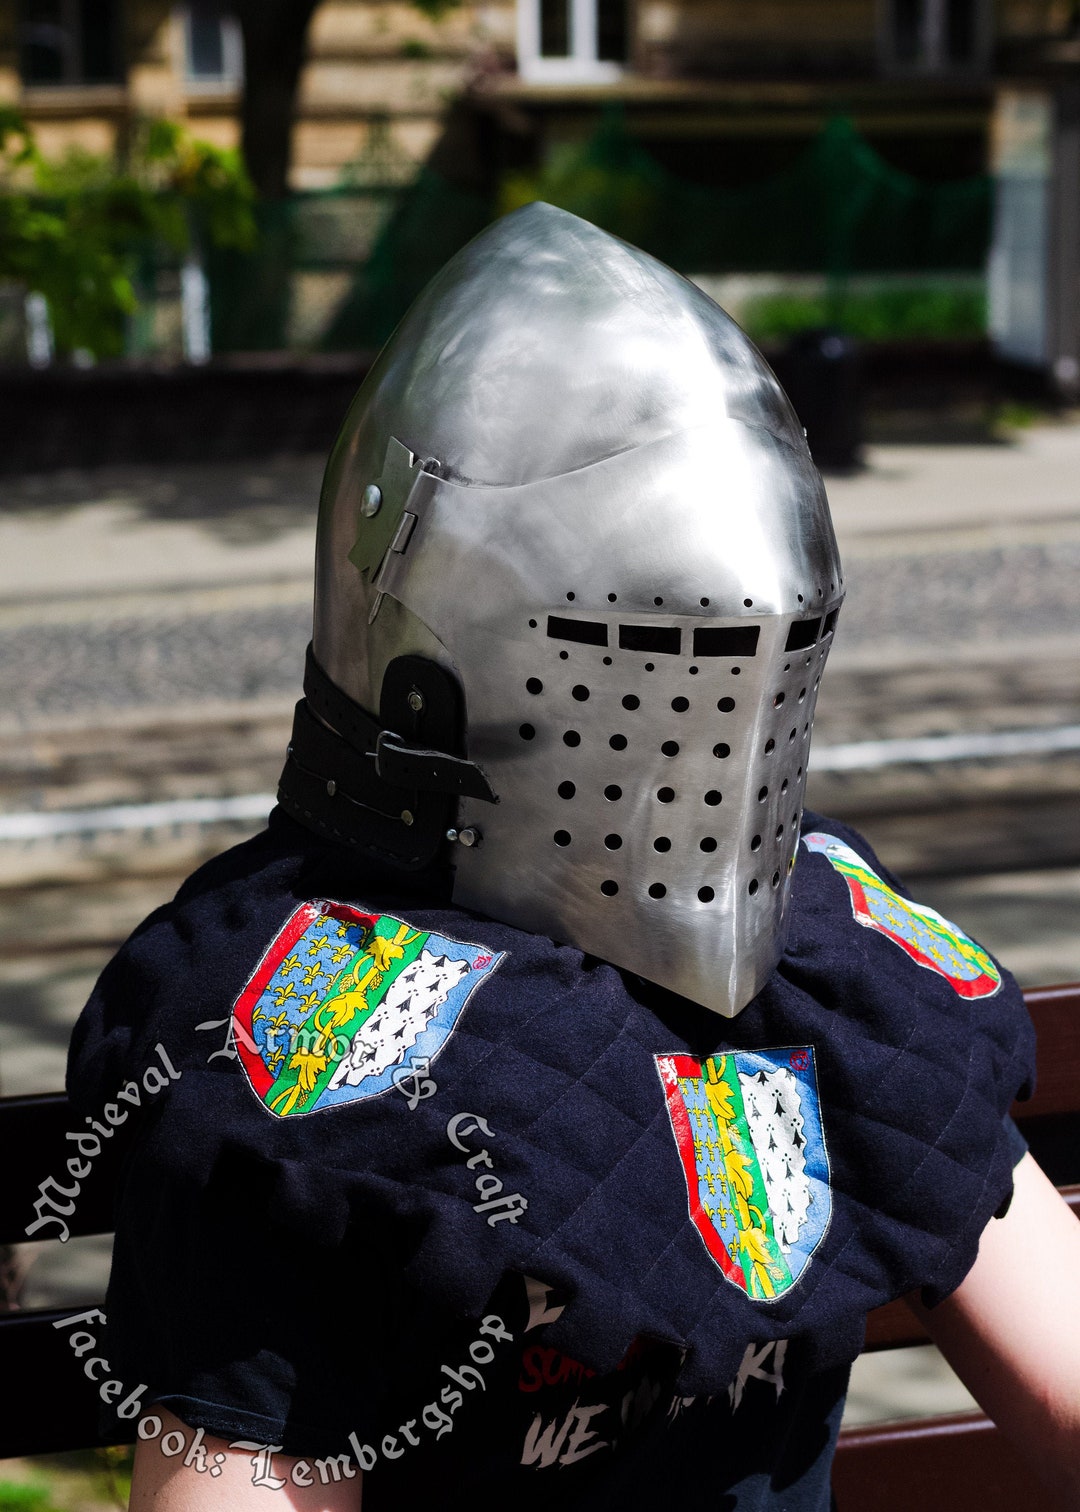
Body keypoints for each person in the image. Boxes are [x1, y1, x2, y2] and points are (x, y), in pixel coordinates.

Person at [66, 204, 1080, 1511]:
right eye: (668, 666)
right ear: (438, 679)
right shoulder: (303, 1054)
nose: (724, 733)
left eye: (765, 667)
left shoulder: (833, 977)